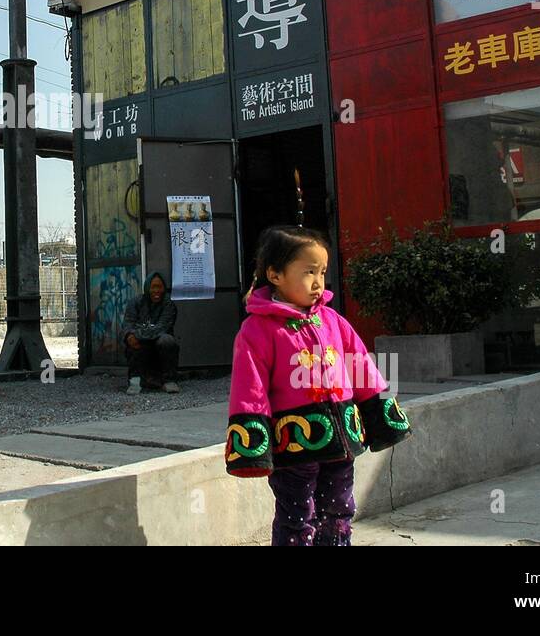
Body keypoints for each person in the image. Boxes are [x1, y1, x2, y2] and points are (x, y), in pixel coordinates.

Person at [226, 226, 412, 545]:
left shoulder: (333, 321)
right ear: (275, 274)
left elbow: (361, 366)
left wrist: (382, 417)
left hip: (341, 444)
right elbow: (250, 391)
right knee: (298, 516)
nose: (318, 282)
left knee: (339, 511)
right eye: (309, 272)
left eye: (322, 272)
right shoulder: (256, 330)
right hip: (295, 449)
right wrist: (253, 446)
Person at [121, 271, 180, 395]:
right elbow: (128, 323)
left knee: (167, 341)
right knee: (131, 341)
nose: (156, 291)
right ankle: (135, 381)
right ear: (147, 288)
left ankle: (169, 380)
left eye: (159, 287)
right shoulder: (135, 302)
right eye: (153, 287)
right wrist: (129, 336)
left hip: (158, 342)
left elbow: (162, 327)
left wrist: (138, 335)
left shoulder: (168, 304)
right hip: (142, 343)